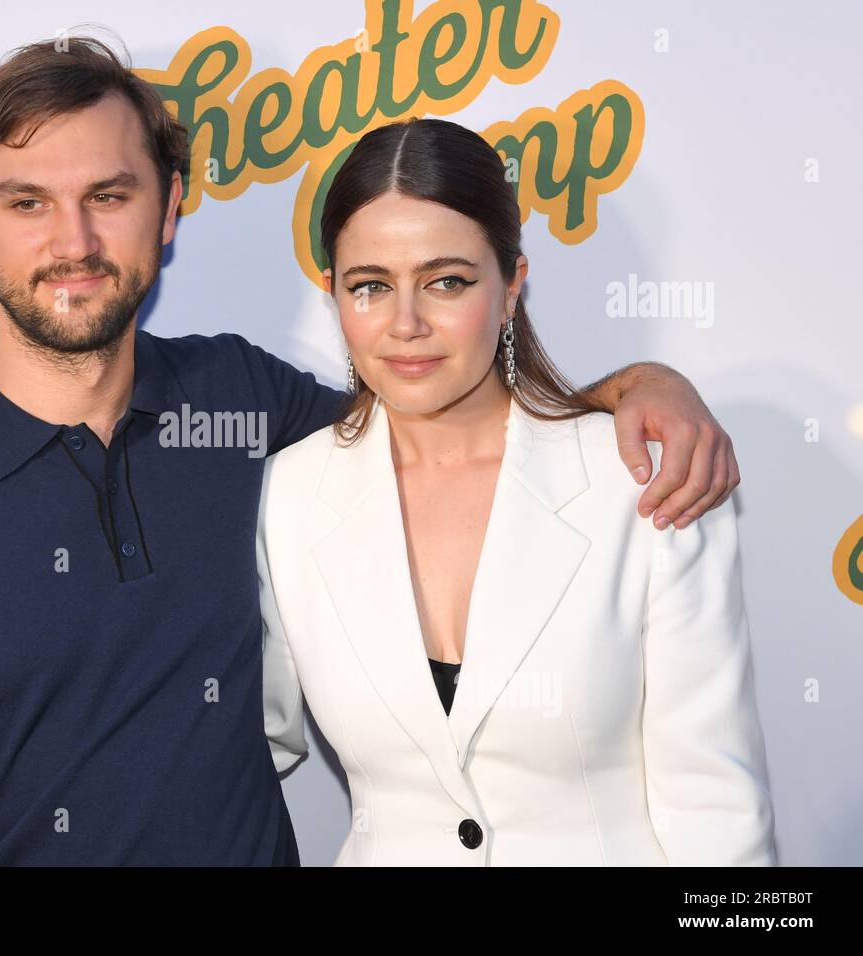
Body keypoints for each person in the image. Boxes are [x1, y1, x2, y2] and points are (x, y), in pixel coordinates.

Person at [0, 36, 742, 866]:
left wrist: (638, 386)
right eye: (24, 202)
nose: (73, 238)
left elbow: (440, 401)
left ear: (170, 204)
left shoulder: (244, 403)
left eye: (109, 193)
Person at [252, 117, 775, 865]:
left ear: (510, 289)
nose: (405, 324)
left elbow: (717, 811)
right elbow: (240, 752)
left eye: (447, 282)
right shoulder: (288, 497)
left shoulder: (641, 481)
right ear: (332, 293)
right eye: (370, 286)